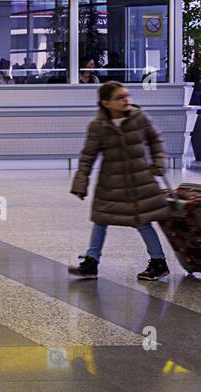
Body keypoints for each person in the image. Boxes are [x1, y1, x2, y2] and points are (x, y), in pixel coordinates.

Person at [69, 81, 172, 282]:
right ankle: (91, 262)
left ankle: (158, 262)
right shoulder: (98, 126)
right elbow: (88, 156)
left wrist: (159, 162)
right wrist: (80, 184)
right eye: (120, 97)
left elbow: (155, 140)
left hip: (139, 181)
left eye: (127, 95)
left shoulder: (139, 118)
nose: (126, 100)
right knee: (100, 221)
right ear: (106, 103)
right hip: (111, 183)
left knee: (142, 221)